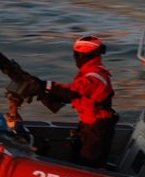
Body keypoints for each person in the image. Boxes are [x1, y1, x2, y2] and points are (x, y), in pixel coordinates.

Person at [29, 35, 118, 168]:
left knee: (88, 164)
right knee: (77, 157)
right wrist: (44, 91)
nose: (76, 58)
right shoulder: (90, 72)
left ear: (86, 55)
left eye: (77, 55)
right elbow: (74, 96)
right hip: (89, 125)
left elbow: (71, 92)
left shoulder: (95, 77)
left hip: (98, 128)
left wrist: (45, 85)